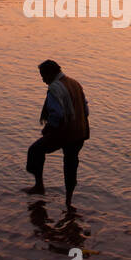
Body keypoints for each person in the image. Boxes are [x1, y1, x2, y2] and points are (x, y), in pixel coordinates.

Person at [25, 60, 89, 207]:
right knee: (71, 165)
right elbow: (86, 110)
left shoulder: (55, 88)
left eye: (43, 76)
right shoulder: (75, 83)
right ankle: (69, 201)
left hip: (65, 133)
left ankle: (39, 186)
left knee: (35, 150)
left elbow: (57, 114)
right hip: (80, 133)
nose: (42, 79)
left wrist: (48, 129)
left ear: (50, 73)